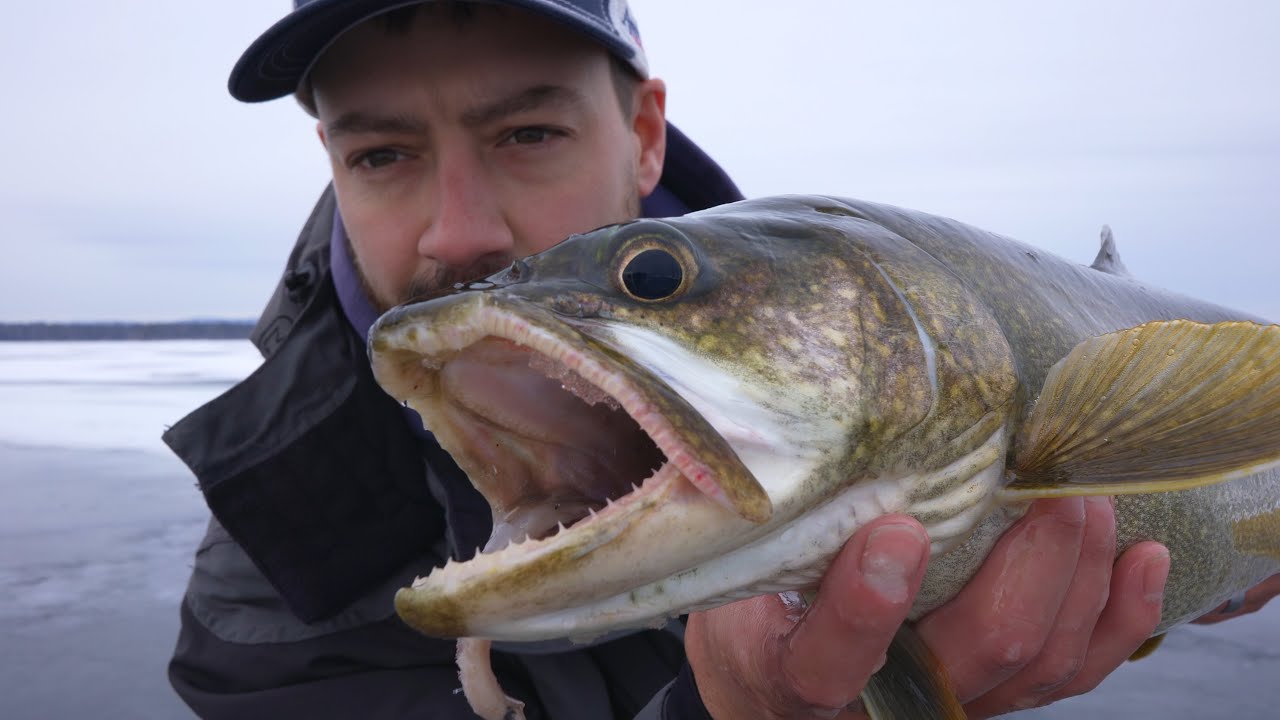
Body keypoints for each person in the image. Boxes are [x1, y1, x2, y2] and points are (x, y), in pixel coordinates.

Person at [163, 1, 1272, 717]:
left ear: (644, 131)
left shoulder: (787, 307)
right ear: (329, 161)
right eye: (382, 152)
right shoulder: (269, 550)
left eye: (527, 133)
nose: (459, 234)